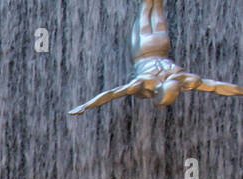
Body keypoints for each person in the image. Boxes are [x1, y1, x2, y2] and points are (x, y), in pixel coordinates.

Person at [70, 0, 242, 114]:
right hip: (142, 49)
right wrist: (85, 106)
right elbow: (112, 94)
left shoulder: (182, 79)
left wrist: (241, 90)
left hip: (161, 43)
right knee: (146, 9)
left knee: (155, 5)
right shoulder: (144, 83)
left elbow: (216, 86)